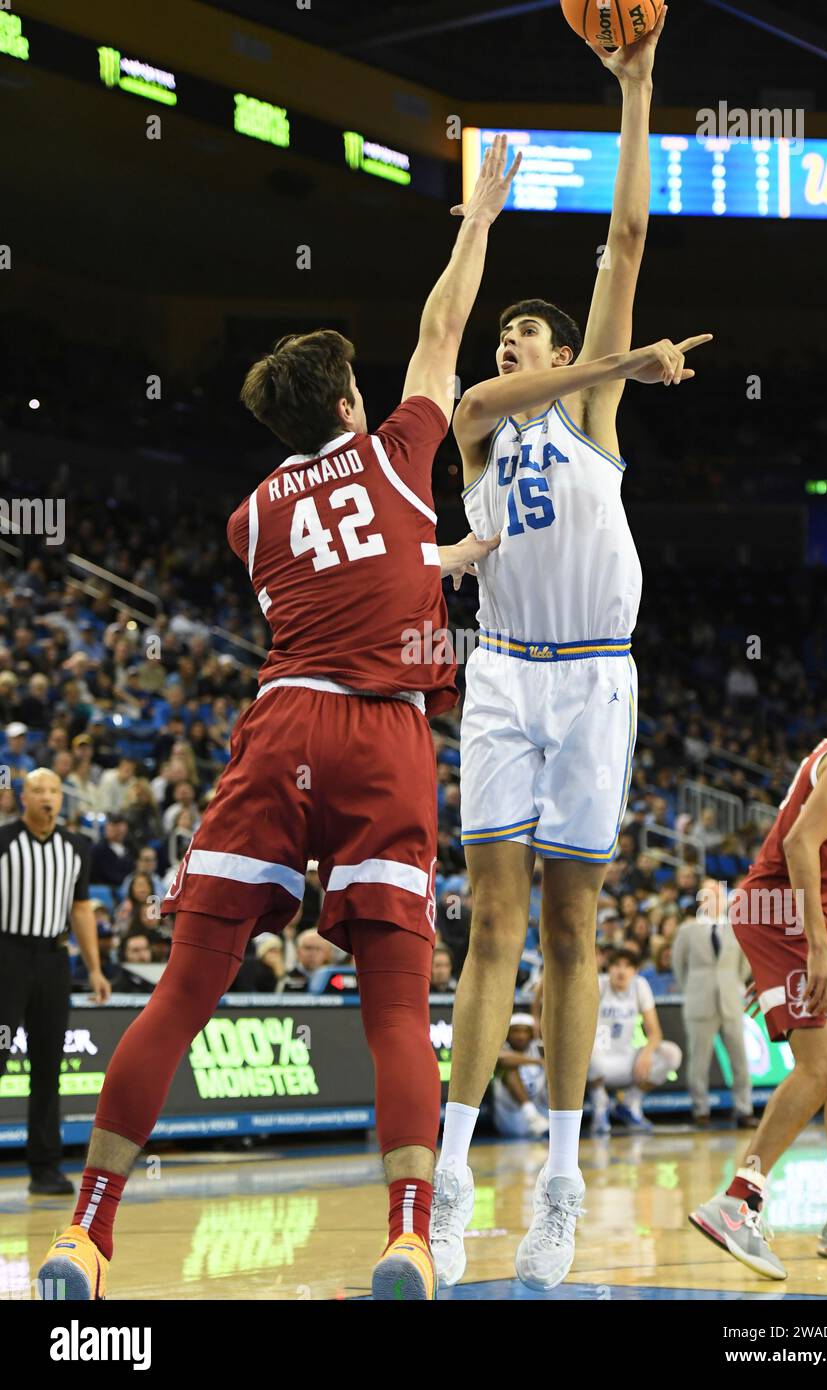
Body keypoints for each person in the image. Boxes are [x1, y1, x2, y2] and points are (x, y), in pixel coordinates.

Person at [39, 136, 519, 1303]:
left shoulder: (248, 516)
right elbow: (444, 332)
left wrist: (445, 553)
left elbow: (353, 572)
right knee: (398, 1006)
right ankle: (407, 1235)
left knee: (185, 991)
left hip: (283, 723)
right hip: (385, 735)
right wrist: (477, 223)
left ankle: (83, 1238)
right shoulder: (401, 448)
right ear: (353, 402)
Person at [432, 6, 713, 1292]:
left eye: (524, 336)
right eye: (506, 338)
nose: (507, 348)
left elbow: (628, 237)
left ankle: (557, 1179)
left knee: (569, 918)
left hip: (596, 670)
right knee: (488, 922)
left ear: (565, 352)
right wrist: (611, 357)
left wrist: (638, 85)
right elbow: (475, 398)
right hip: (502, 669)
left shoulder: (594, 402)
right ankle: (441, 1173)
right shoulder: (490, 423)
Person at [690, 652, 827, 1278]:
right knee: (823, 1066)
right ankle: (739, 1201)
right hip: (784, 916)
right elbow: (796, 843)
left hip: (794, 917)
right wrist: (816, 941)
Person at [0, 771, 111, 1194]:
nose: (46, 798)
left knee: (48, 1067)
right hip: (6, 957)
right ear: (22, 797)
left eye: (52, 791)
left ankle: (45, 1169)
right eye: (37, 791)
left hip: (52, 960)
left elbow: (81, 909)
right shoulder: (4, 841)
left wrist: (95, 968)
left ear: (60, 800)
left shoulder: (76, 846)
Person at [672, 879, 756, 1130]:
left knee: (739, 1060)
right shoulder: (687, 930)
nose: (715, 900)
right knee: (699, 1060)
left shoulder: (736, 928)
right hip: (700, 1001)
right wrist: (693, 989)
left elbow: (745, 965)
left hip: (730, 1000)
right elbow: (679, 966)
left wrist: (732, 985)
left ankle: (744, 1109)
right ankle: (701, 1110)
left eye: (719, 895)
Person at [584, 944, 682, 1136]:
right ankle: (599, 1105)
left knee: (672, 1054)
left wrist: (646, 1053)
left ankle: (629, 1102)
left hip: (627, 1060)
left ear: (635, 970)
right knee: (586, 1050)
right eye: (616, 965)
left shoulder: (640, 985)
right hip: (597, 1060)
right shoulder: (598, 984)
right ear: (608, 968)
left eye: (627, 966)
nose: (621, 971)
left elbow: (655, 1033)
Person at [492, 1014, 549, 1139]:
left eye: (524, 1031)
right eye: (515, 1031)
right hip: (512, 1118)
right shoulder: (500, 1047)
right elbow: (500, 1058)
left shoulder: (539, 1048)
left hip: (542, 1114)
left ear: (531, 1034)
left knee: (555, 1070)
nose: (520, 1036)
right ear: (507, 1034)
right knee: (510, 1069)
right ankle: (531, 1114)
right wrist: (538, 1061)